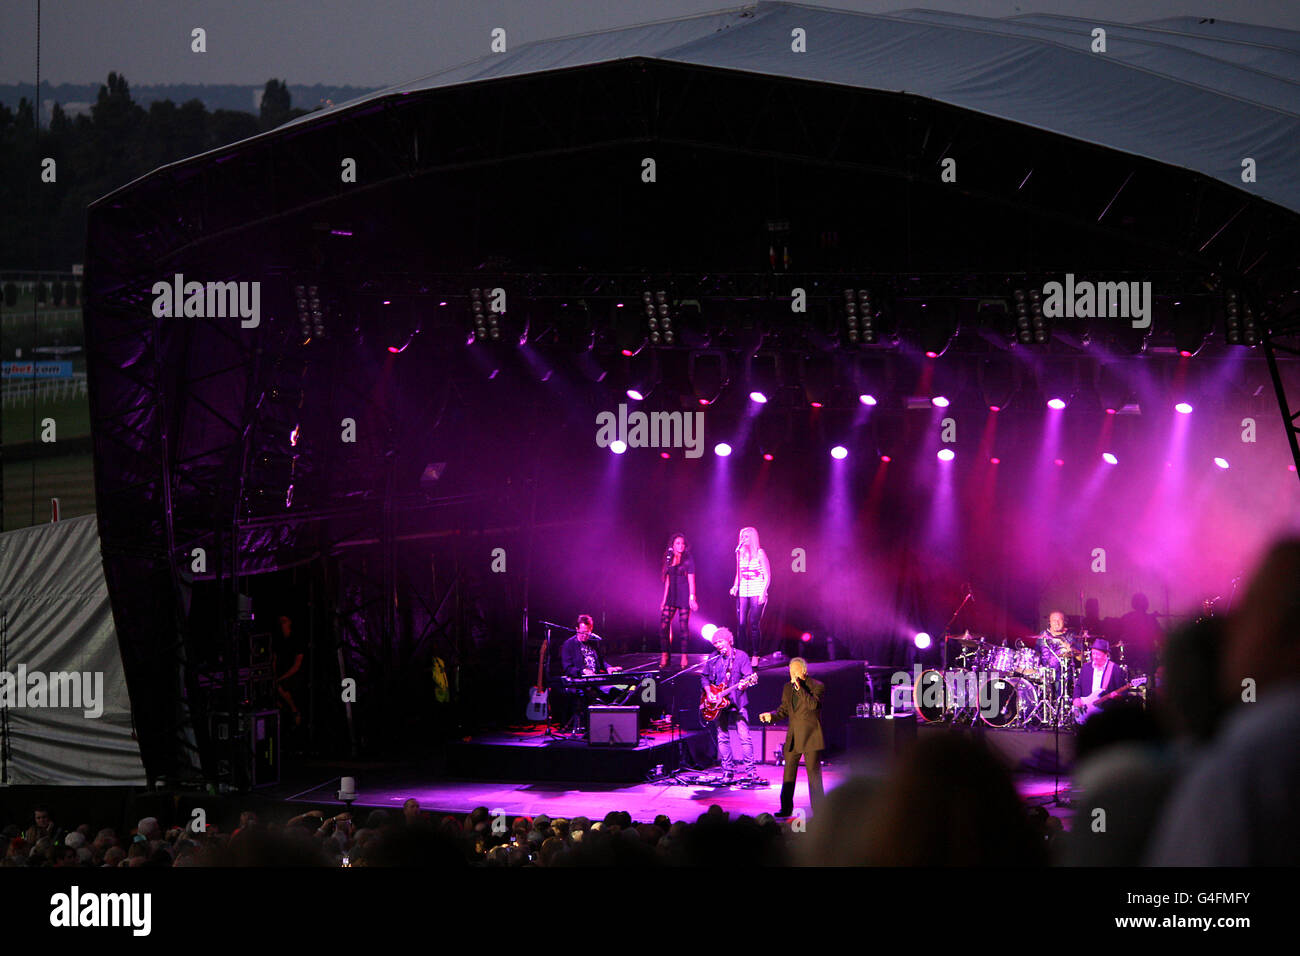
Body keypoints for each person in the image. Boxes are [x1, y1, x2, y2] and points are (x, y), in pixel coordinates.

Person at [760, 657, 824, 817]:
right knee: (788, 774)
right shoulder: (787, 688)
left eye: (795, 670)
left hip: (810, 736)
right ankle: (786, 808)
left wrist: (799, 687)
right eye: (790, 670)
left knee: (814, 776)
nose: (792, 673)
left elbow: (812, 705)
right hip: (793, 737)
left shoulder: (817, 686)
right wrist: (772, 716)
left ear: (804, 671)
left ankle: (820, 811)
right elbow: (784, 710)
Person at [699, 628, 755, 782]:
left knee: (744, 737)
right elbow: (704, 677)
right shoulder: (713, 658)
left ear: (728, 641)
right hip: (718, 702)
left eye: (720, 641)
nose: (718, 645)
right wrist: (709, 691)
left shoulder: (741, 656)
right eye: (715, 643)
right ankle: (727, 771)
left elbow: (749, 677)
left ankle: (750, 771)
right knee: (722, 737)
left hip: (737, 701)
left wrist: (744, 684)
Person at [559, 614, 624, 733]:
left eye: (587, 633)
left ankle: (611, 726)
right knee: (591, 695)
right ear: (577, 629)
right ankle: (592, 728)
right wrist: (582, 671)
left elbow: (601, 661)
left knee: (618, 692)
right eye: (582, 632)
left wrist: (609, 668)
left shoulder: (593, 643)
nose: (585, 636)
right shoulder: (569, 644)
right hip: (580, 681)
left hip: (596, 680)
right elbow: (567, 668)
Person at [730, 526, 770, 668]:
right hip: (743, 593)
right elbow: (738, 573)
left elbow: (767, 575)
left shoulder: (760, 553)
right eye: (742, 536)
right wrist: (735, 586)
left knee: (754, 623)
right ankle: (742, 654)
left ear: (752, 538)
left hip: (756, 591)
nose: (743, 539)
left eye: (746, 536)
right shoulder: (740, 553)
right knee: (741, 624)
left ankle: (755, 654)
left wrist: (763, 592)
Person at [660, 533, 698, 670]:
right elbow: (668, 581)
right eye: (677, 543)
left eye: (682, 543)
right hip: (671, 595)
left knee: (683, 627)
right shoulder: (669, 558)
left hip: (684, 594)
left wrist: (692, 597)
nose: (680, 546)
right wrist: (663, 600)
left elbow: (691, 579)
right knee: (664, 624)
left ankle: (684, 656)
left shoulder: (688, 559)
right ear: (672, 545)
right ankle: (665, 654)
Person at [1071, 638, 1129, 721]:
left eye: (1098, 654)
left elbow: (1124, 691)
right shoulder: (1086, 668)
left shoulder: (1115, 669)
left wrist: (1117, 696)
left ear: (1106, 654)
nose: (1094, 657)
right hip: (1086, 709)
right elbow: (1078, 686)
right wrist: (1076, 698)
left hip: (1106, 712)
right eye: (1093, 653)